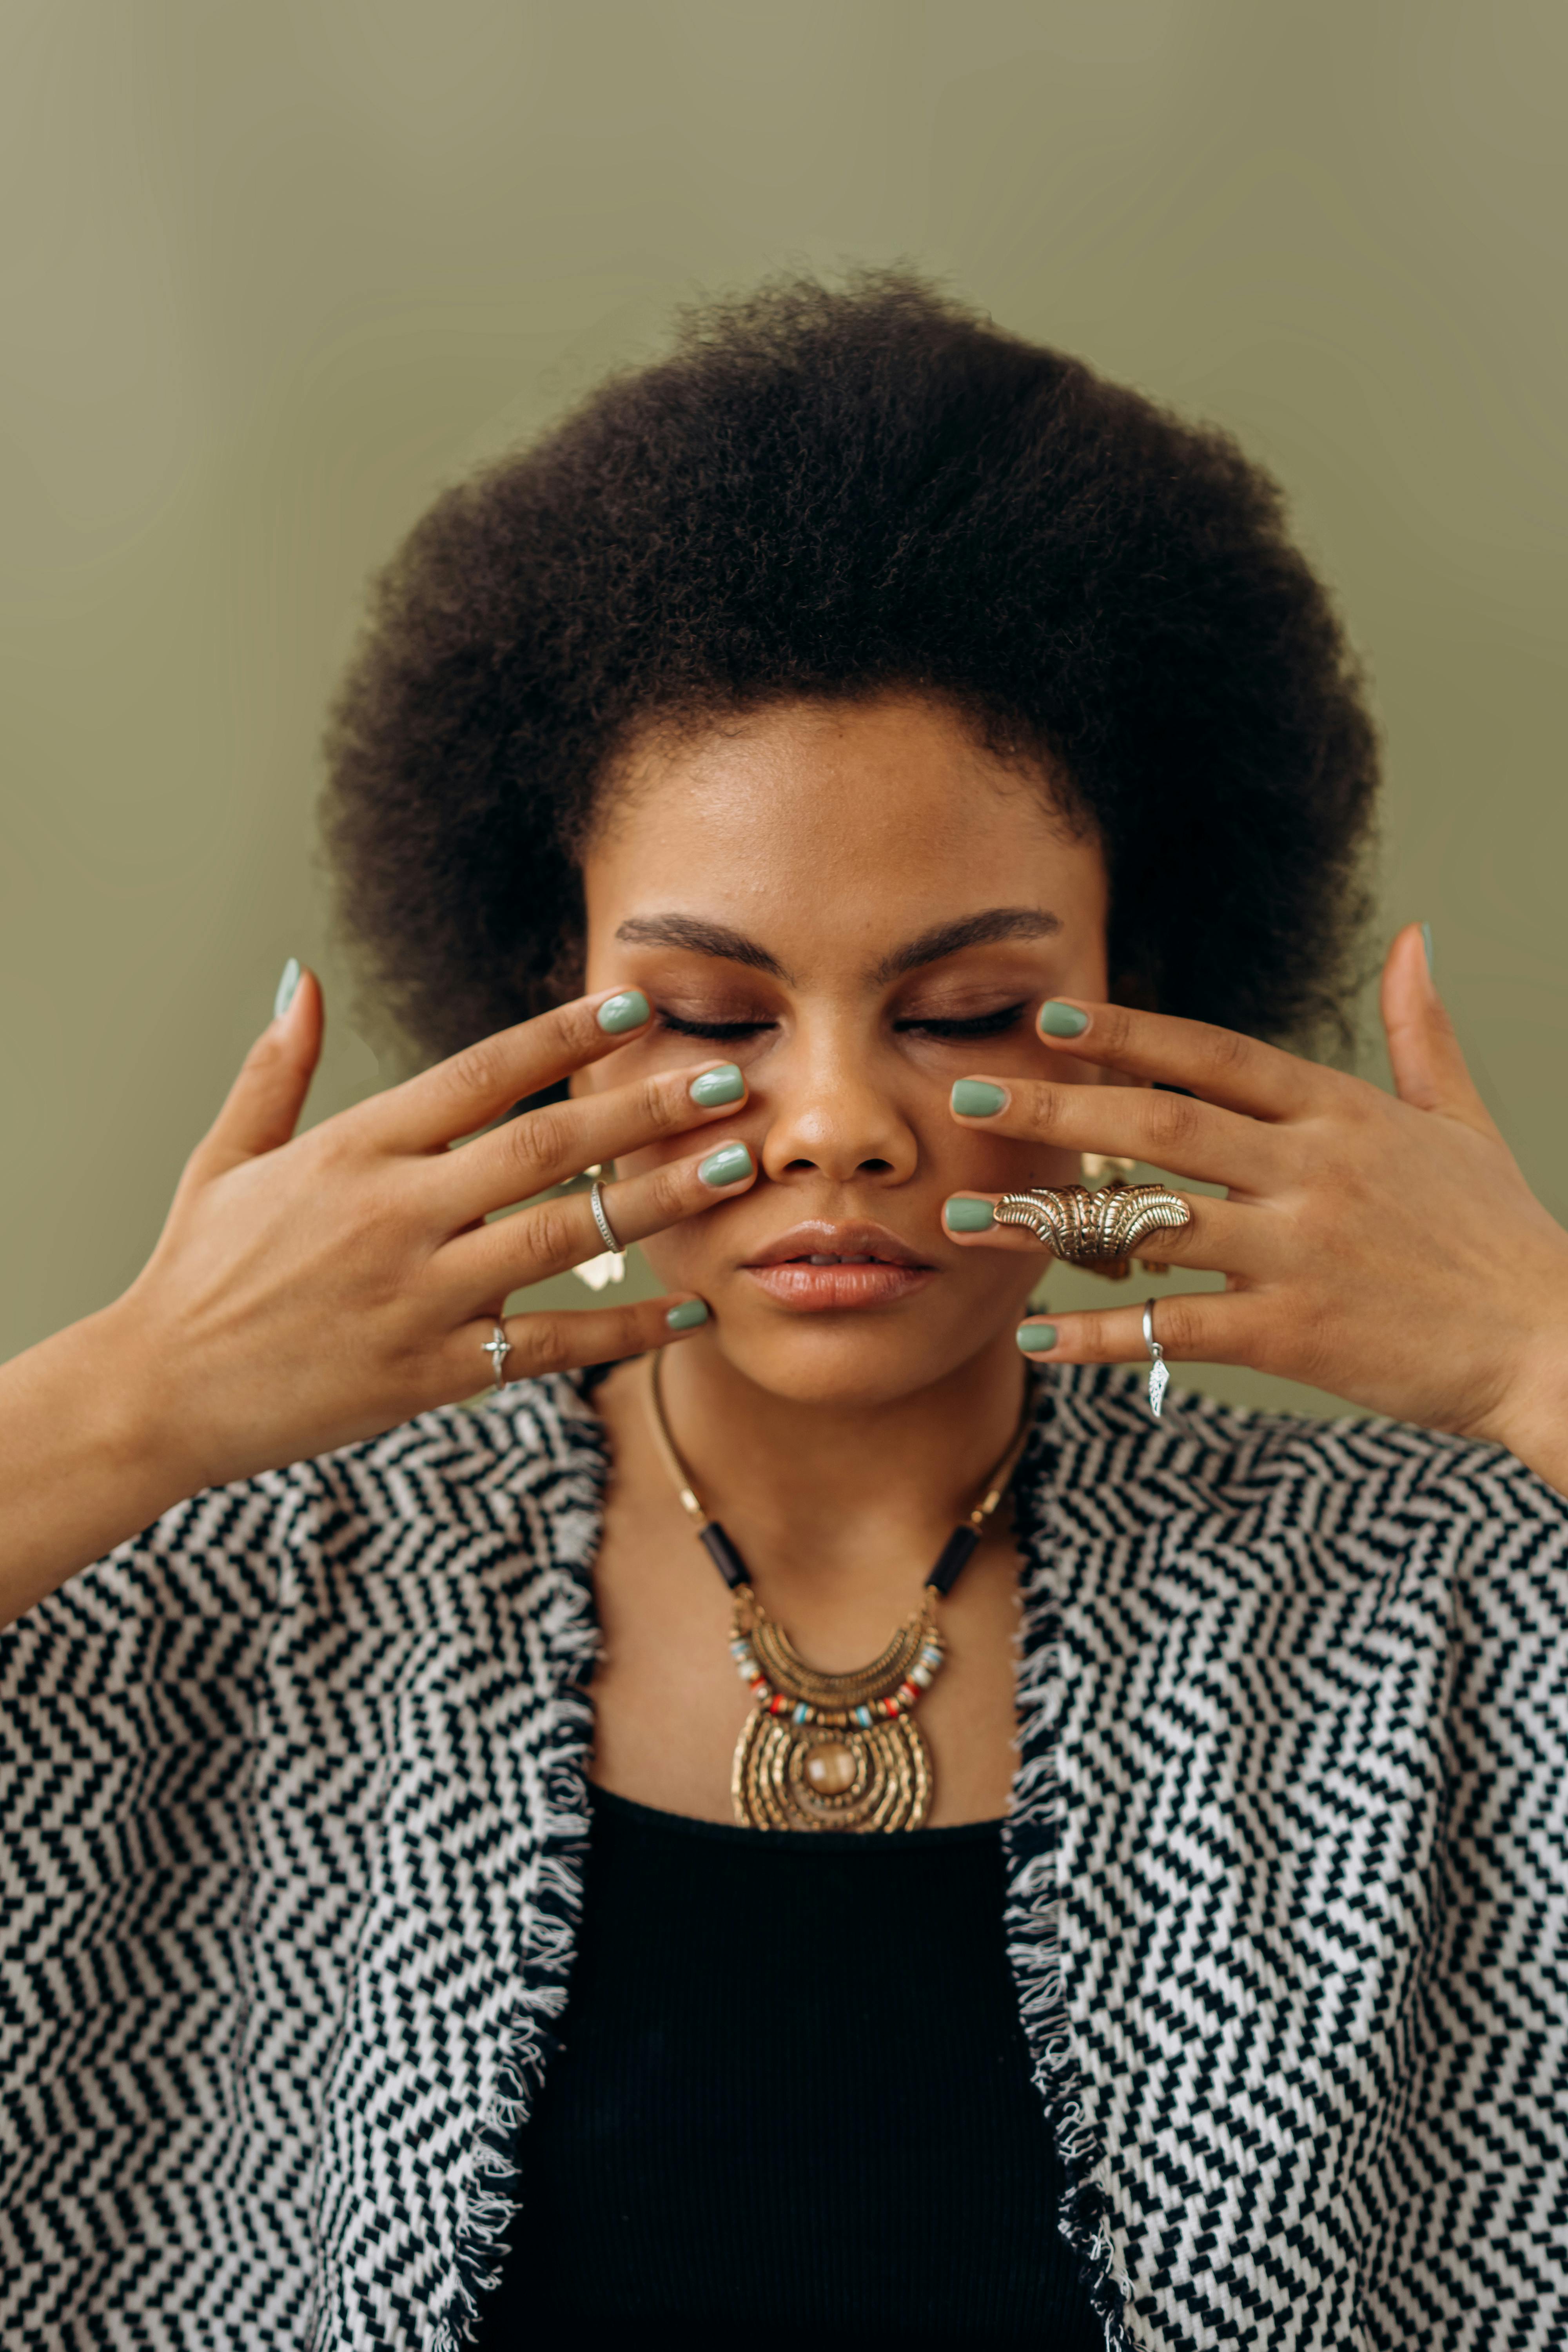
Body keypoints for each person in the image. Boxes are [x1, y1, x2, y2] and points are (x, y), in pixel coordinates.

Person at [2, 274, 1565, 2352]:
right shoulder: (231, 1589)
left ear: (1154, 987)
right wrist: (128, 1407)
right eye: (713, 1014)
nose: (836, 1123)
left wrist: (1544, 1354)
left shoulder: (1431, 1624)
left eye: (970, 1012)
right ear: (541, 995)